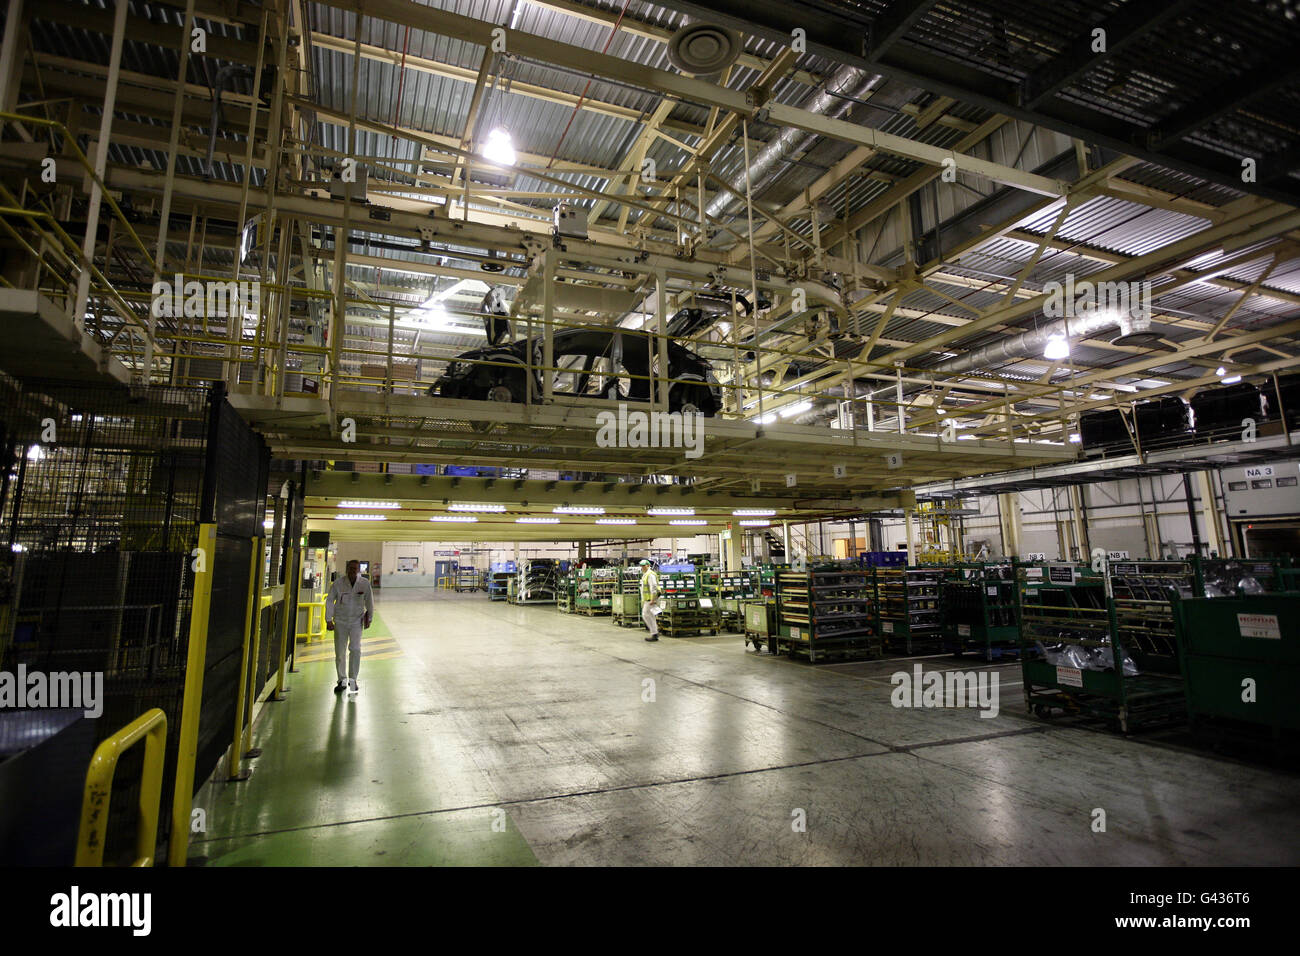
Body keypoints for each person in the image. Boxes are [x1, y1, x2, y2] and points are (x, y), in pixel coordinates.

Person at [325, 559, 373, 694]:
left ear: (359, 570)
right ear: (347, 569)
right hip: (340, 621)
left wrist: (369, 617)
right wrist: (328, 619)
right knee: (340, 652)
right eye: (351, 568)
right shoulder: (338, 583)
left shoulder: (364, 584)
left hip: (356, 622)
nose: (353, 570)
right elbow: (329, 600)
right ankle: (342, 680)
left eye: (355, 568)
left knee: (355, 649)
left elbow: (369, 601)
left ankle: (353, 680)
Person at [638, 559, 661, 642]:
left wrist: (653, 599)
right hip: (648, 599)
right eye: (641, 566)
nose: (642, 567)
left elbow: (653, 587)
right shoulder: (645, 575)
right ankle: (654, 633)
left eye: (644, 566)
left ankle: (654, 633)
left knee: (645, 614)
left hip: (651, 599)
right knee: (649, 615)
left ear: (648, 565)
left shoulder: (650, 575)